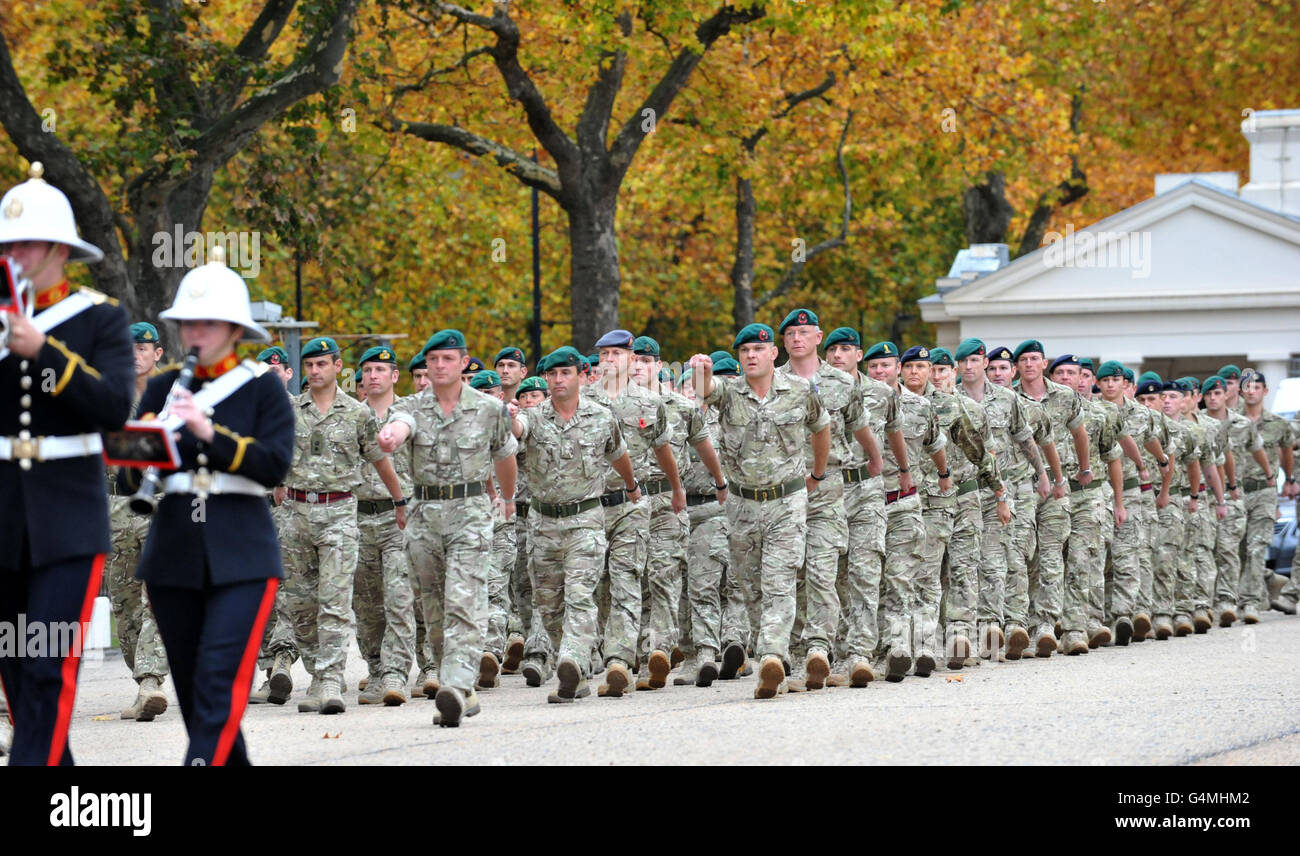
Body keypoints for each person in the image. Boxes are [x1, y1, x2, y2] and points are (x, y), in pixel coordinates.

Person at [120, 246, 293, 765]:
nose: (196, 333)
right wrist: (142, 439)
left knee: (219, 678)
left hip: (242, 549)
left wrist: (206, 432)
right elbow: (131, 475)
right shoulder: (163, 386)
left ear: (235, 328)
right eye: (189, 323)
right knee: (196, 691)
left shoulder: (264, 388)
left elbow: (273, 465)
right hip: (173, 549)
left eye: (209, 323)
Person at [0, 161, 133, 765]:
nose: (15, 254)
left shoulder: (99, 317)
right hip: (4, 515)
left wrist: (45, 353)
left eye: (26, 243)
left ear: (57, 248)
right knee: (17, 674)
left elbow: (111, 407)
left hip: (68, 520)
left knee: (46, 666)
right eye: (8, 244)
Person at [378, 330, 518, 727]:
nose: (439, 366)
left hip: (471, 511)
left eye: (447, 359)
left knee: (463, 598)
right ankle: (459, 682)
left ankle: (454, 685)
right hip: (425, 513)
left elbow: (505, 455)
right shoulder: (411, 407)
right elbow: (401, 425)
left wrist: (507, 498)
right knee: (434, 607)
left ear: (463, 362)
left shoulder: (488, 409)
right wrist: (393, 435)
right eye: (432, 360)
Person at [688, 323, 831, 699]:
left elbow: (822, 428)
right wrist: (701, 369)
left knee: (779, 581)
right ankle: (774, 652)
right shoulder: (729, 393)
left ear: (773, 355)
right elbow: (705, 389)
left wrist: (817, 472)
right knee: (749, 587)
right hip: (742, 505)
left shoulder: (800, 392)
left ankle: (771, 655)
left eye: (757, 349)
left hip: (787, 502)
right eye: (744, 350)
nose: (751, 355)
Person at [268, 336, 406, 715]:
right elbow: (275, 455)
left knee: (334, 601)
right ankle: (316, 671)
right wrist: (277, 483)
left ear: (337, 367)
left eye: (322, 364)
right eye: (309, 365)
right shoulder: (290, 411)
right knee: (298, 603)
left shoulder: (356, 414)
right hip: (296, 514)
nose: (314, 371)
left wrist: (399, 500)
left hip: (340, 514)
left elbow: (379, 460)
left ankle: (331, 679)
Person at [506, 346, 638, 704]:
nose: (559, 379)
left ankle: (572, 662)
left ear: (581, 375)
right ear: (546, 380)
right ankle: (573, 667)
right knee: (548, 605)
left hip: (585, 521)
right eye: (552, 374)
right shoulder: (533, 418)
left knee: (580, 597)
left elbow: (619, 453)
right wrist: (508, 417)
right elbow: (516, 430)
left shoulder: (600, 416)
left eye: (565, 373)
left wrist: (631, 485)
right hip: (543, 523)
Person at [776, 309, 880, 689]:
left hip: (826, 488)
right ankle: (781, 651)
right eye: (790, 333)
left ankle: (818, 648)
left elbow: (859, 424)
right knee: (783, 575)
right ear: (783, 341)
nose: (797, 338)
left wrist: (876, 458)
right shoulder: (769, 383)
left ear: (818, 337)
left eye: (804, 332)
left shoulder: (839, 382)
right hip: (780, 492)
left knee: (821, 570)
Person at [584, 329, 683, 696]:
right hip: (588, 507)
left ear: (630, 358)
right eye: (603, 355)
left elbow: (663, 451)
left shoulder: (648, 403)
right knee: (589, 587)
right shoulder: (580, 399)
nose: (609, 361)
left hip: (632, 504)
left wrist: (675, 489)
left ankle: (619, 661)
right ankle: (579, 658)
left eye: (616, 354)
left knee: (628, 578)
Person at [106, 321, 172, 721]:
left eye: (143, 347)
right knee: (124, 603)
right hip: (114, 507)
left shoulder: (172, 397)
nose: (135, 353)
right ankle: (142, 682)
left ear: (157, 353)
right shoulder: (107, 398)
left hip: (161, 503)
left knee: (157, 596)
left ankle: (151, 679)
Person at [352, 346, 417, 706]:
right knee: (366, 604)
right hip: (357, 517)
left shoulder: (409, 415)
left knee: (398, 598)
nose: (373, 375)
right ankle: (375, 668)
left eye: (381, 369)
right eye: (368, 370)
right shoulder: (350, 416)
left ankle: (395, 673)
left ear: (394, 376)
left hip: (398, 518)